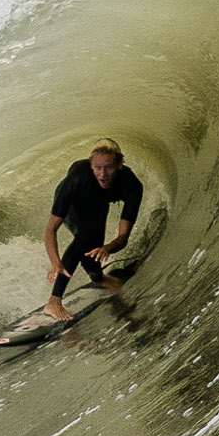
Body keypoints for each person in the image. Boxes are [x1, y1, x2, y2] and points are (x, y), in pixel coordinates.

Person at [42, 138, 143, 322]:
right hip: (73, 205)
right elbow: (50, 229)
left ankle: (98, 278)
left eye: (109, 167)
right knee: (85, 236)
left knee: (93, 246)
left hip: (98, 205)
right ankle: (54, 301)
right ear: (91, 165)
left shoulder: (132, 186)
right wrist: (56, 262)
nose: (103, 174)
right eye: (97, 167)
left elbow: (123, 237)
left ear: (120, 164)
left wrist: (107, 248)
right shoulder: (77, 179)